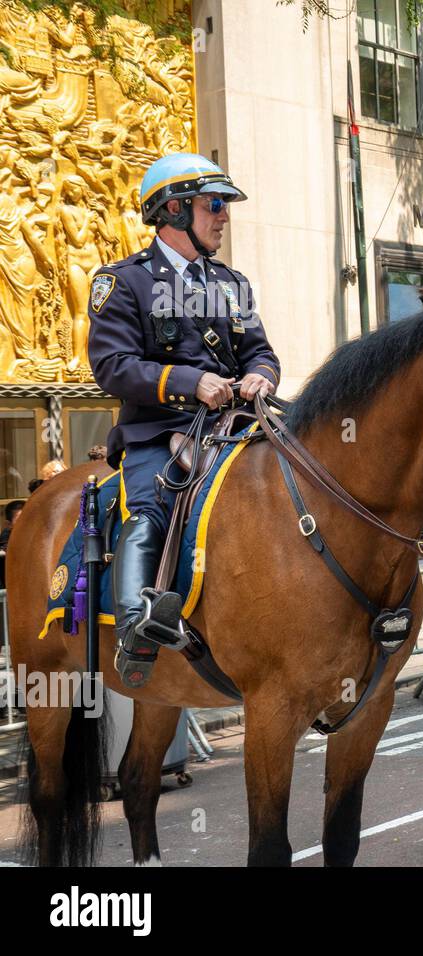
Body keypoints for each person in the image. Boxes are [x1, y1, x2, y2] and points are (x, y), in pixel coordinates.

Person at [88, 152, 281, 689]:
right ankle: (135, 623)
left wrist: (261, 376)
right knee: (151, 499)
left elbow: (261, 352)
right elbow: (112, 365)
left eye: (225, 207)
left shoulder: (232, 284)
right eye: (214, 205)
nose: (224, 217)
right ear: (173, 211)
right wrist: (187, 382)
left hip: (237, 424)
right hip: (157, 430)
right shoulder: (122, 282)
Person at [0, 499, 24, 589]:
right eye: (19, 520)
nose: (25, 524)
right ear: (8, 524)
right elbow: (6, 548)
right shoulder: (6, 535)